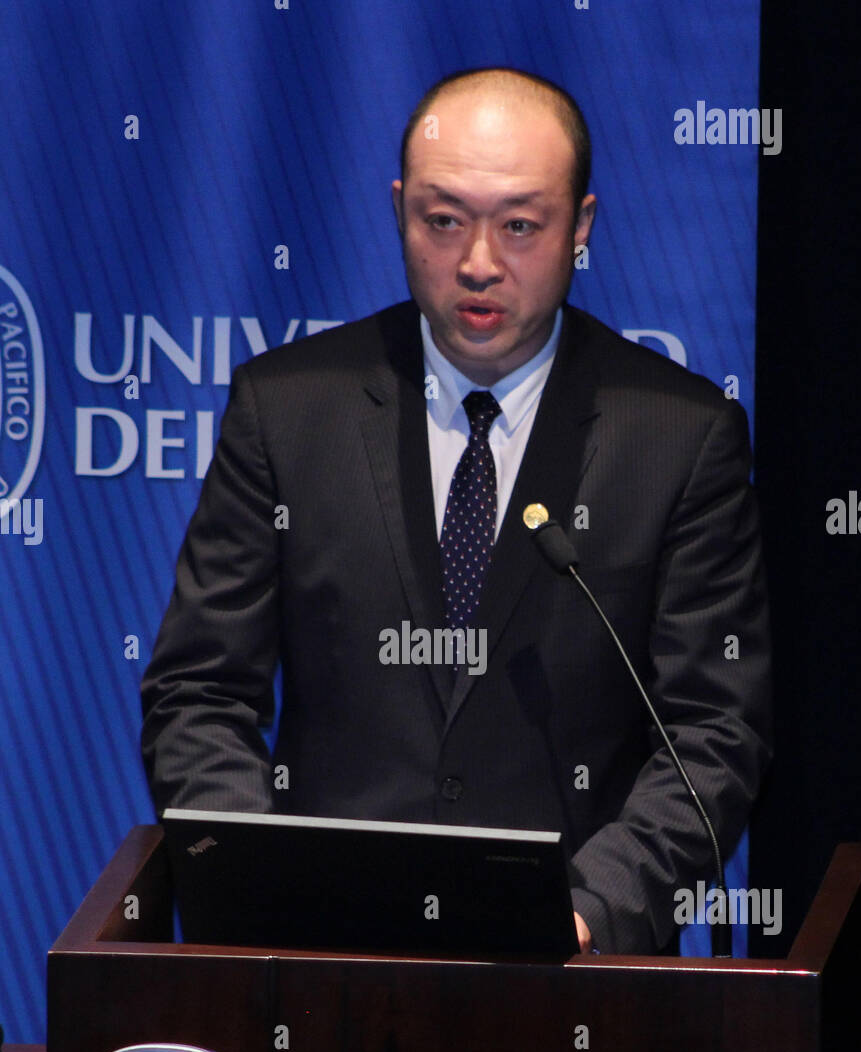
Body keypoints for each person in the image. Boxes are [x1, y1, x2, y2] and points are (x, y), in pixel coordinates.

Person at [140, 68, 771, 955]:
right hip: (322, 965)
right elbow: (198, 691)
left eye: (520, 224)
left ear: (581, 226)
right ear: (400, 209)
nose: (478, 260)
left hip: (574, 985)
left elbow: (714, 730)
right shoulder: (287, 410)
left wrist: (589, 911)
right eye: (444, 220)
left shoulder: (680, 436)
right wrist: (265, 882)